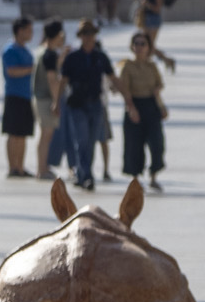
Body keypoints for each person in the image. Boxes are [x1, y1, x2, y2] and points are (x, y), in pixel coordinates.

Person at [54, 19, 114, 190]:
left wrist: (129, 99)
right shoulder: (73, 58)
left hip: (95, 104)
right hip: (77, 104)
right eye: (85, 34)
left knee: (91, 141)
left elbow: (113, 78)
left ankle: (82, 174)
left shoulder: (100, 57)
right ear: (80, 37)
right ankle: (87, 175)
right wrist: (56, 102)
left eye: (91, 34)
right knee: (81, 139)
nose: (88, 38)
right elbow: (63, 81)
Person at [117, 27, 172, 188]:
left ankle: (154, 175)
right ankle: (136, 178)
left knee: (157, 143)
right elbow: (125, 90)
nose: (140, 47)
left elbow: (157, 89)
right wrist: (131, 108)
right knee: (134, 144)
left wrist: (162, 107)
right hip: (135, 105)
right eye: (136, 43)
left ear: (148, 47)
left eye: (143, 43)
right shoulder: (127, 67)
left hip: (151, 106)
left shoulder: (152, 67)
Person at [0, 17, 38, 177]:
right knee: (13, 132)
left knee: (23, 133)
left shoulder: (26, 50)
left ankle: (20, 166)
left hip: (26, 96)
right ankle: (12, 167)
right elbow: (12, 71)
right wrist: (31, 69)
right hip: (13, 95)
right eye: (28, 30)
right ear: (20, 31)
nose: (31, 34)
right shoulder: (10, 50)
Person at [34, 19, 67, 176]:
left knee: (44, 135)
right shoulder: (49, 54)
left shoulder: (43, 51)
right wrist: (56, 102)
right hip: (46, 99)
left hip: (39, 98)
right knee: (46, 135)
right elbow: (52, 80)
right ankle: (42, 168)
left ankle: (42, 167)